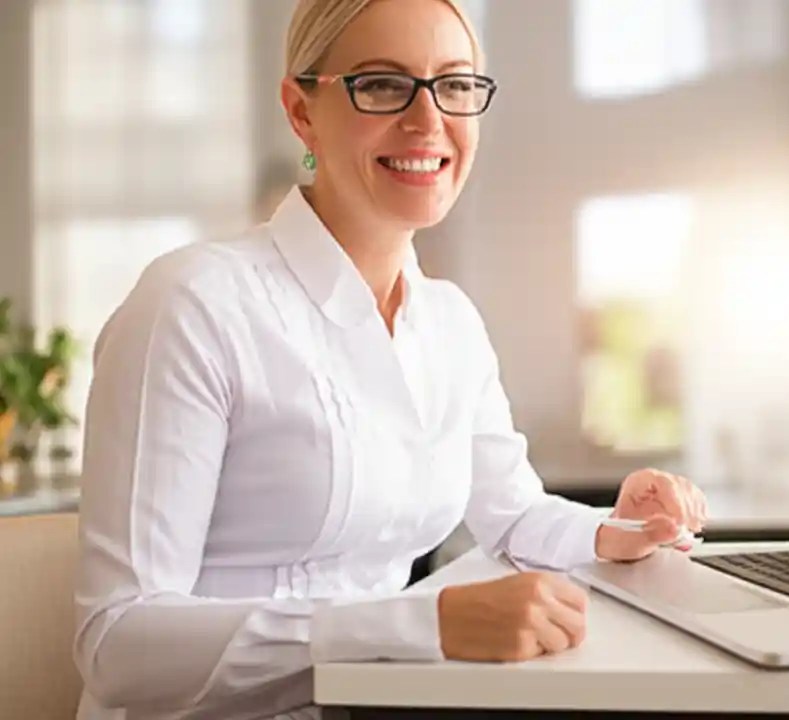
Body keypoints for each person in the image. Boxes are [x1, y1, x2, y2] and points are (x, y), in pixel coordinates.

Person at [71, 1, 709, 718]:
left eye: (455, 85)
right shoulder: (193, 305)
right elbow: (116, 643)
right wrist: (420, 626)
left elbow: (513, 514)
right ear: (301, 111)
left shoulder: (450, 322)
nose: (427, 119)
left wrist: (615, 533)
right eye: (381, 84)